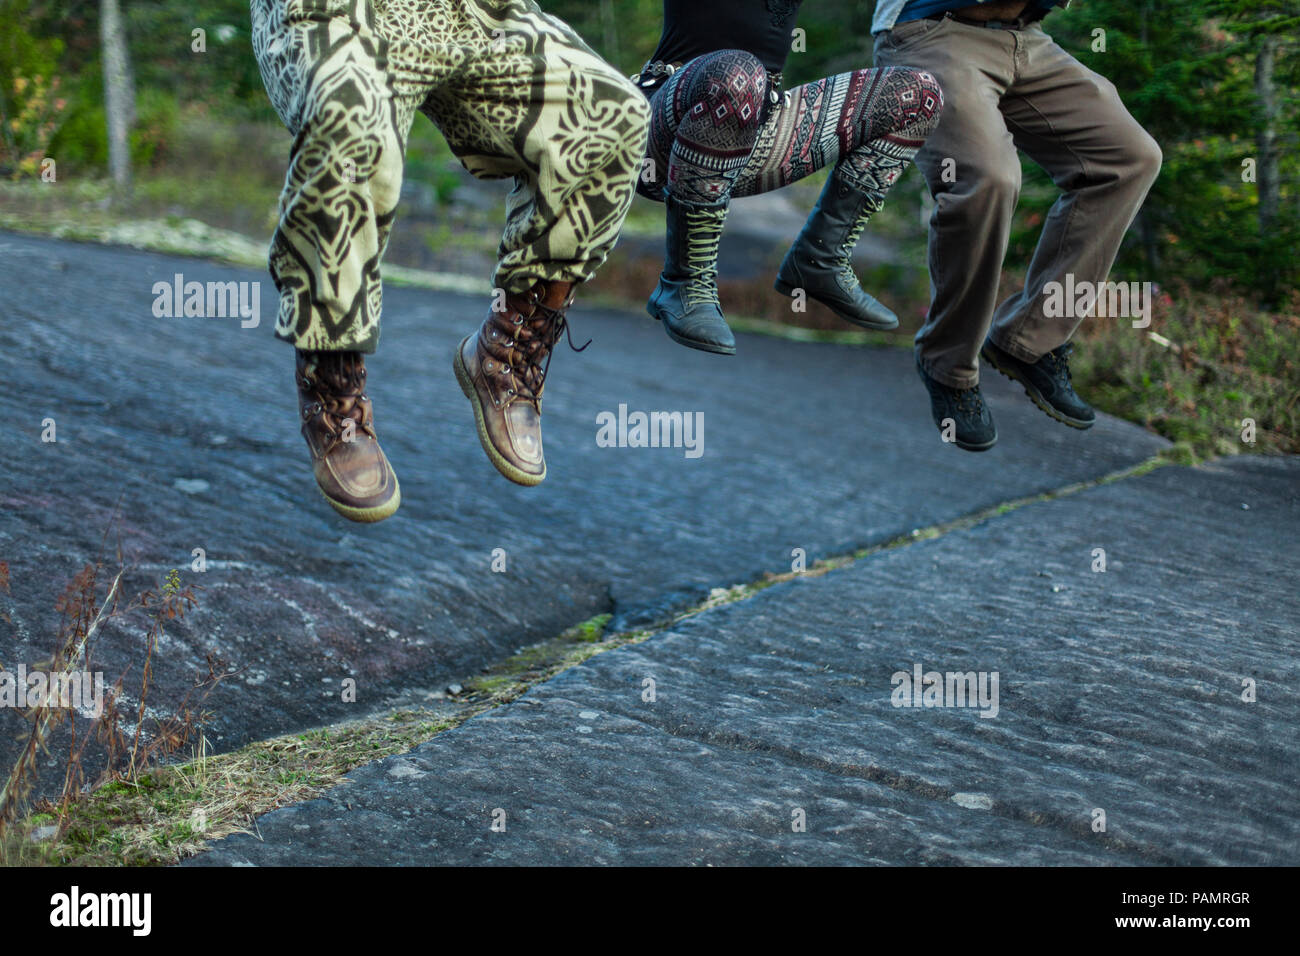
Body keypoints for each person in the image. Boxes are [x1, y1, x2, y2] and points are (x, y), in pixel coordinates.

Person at [250, 0, 651, 520]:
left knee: (617, 115)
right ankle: (333, 389)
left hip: (465, 11)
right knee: (351, 130)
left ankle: (509, 346)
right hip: (334, 14)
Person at [872, 1, 1163, 451]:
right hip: (931, 31)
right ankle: (947, 362)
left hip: (1022, 37)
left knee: (1130, 158)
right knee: (989, 178)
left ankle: (1028, 339)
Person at [635, 0, 944, 355]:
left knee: (920, 93)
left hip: (760, 128)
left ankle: (819, 259)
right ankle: (683, 282)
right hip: (661, 125)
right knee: (740, 73)